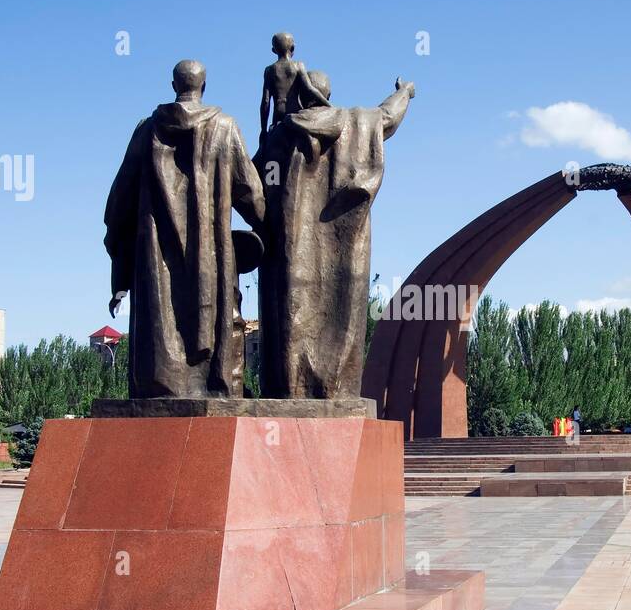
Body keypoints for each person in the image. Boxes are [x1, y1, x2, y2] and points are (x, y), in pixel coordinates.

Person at [104, 59, 265, 398]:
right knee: (215, 318)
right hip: (213, 258)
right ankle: (214, 384)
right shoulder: (225, 128)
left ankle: (162, 384)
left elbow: (120, 198)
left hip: (155, 258)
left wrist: (118, 249)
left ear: (173, 85)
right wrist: (269, 229)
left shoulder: (147, 132)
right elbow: (250, 193)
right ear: (202, 86)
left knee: (160, 321)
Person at [258, 73, 414, 398]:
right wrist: (404, 92)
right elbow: (388, 115)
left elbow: (248, 186)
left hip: (290, 251)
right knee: (343, 317)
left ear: (300, 98)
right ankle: (337, 392)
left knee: (292, 314)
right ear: (328, 94)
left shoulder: (279, 137)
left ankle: (291, 390)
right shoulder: (356, 123)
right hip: (346, 247)